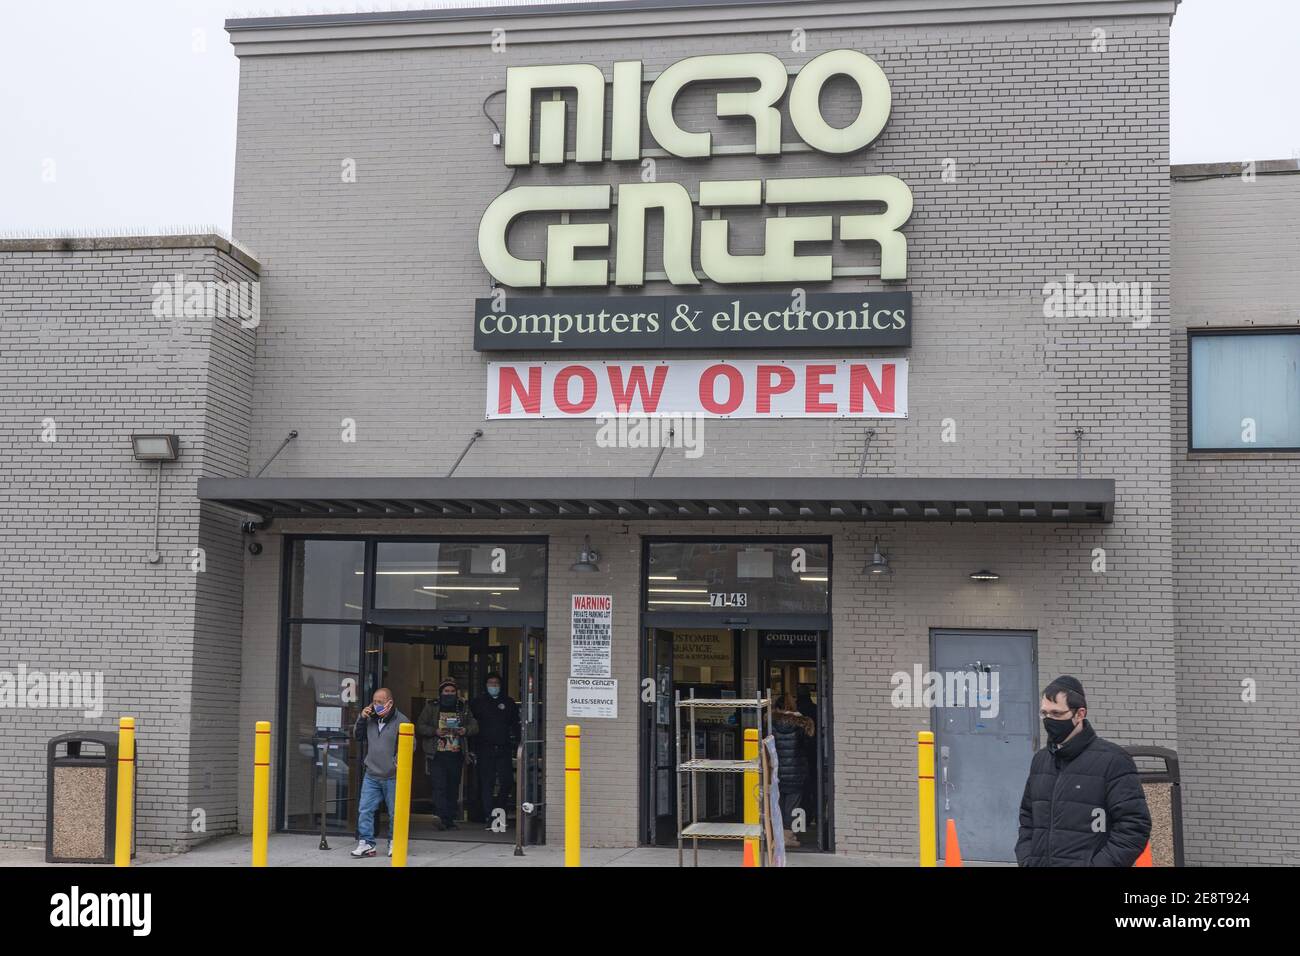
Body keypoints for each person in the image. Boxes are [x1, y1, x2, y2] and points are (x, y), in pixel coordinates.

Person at [1016, 675, 1152, 866]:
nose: (1048, 720)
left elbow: (1134, 827)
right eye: (1044, 714)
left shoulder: (1114, 760)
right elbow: (1028, 818)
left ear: (1079, 714)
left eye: (1056, 714)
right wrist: (1027, 859)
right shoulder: (1041, 760)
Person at [350, 687, 408, 858]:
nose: (376, 705)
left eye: (380, 702)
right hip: (372, 774)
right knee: (365, 809)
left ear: (390, 703)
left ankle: (394, 842)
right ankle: (366, 843)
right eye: (374, 702)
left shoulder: (402, 721)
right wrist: (361, 718)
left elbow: (410, 745)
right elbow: (358, 736)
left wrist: (398, 759)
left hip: (392, 775)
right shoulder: (370, 720)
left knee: (395, 812)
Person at [417, 678, 478, 831]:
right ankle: (440, 817)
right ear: (441, 692)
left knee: (453, 787)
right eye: (446, 691)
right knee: (439, 786)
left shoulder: (463, 707)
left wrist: (465, 730)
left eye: (452, 691)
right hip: (436, 754)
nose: (449, 694)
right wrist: (435, 731)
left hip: (456, 754)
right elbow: (420, 726)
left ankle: (450, 819)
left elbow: (474, 725)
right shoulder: (431, 707)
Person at [469, 672, 521, 831]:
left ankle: (499, 813)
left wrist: (518, 741)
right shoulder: (478, 703)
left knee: (506, 782)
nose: (493, 686)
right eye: (490, 683)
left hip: (504, 748)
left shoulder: (508, 702)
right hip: (484, 748)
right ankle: (490, 818)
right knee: (487, 783)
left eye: (496, 683)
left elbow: (515, 725)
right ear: (485, 685)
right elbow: (472, 724)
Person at [771, 693, 814, 848]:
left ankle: (778, 835)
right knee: (792, 805)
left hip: (777, 771)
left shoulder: (771, 724)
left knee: (778, 803)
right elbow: (808, 746)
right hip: (796, 772)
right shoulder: (800, 724)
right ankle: (788, 836)